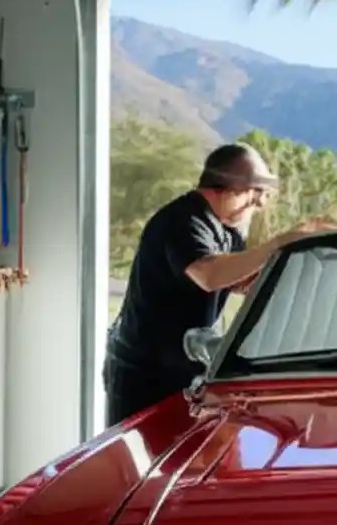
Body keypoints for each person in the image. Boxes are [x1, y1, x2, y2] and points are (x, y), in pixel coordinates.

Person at [103, 142, 325, 426]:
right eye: (256, 194)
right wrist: (278, 243)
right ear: (232, 188)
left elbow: (238, 281)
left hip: (184, 368)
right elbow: (210, 275)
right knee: (140, 464)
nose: (259, 204)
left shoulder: (226, 231)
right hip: (144, 372)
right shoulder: (183, 221)